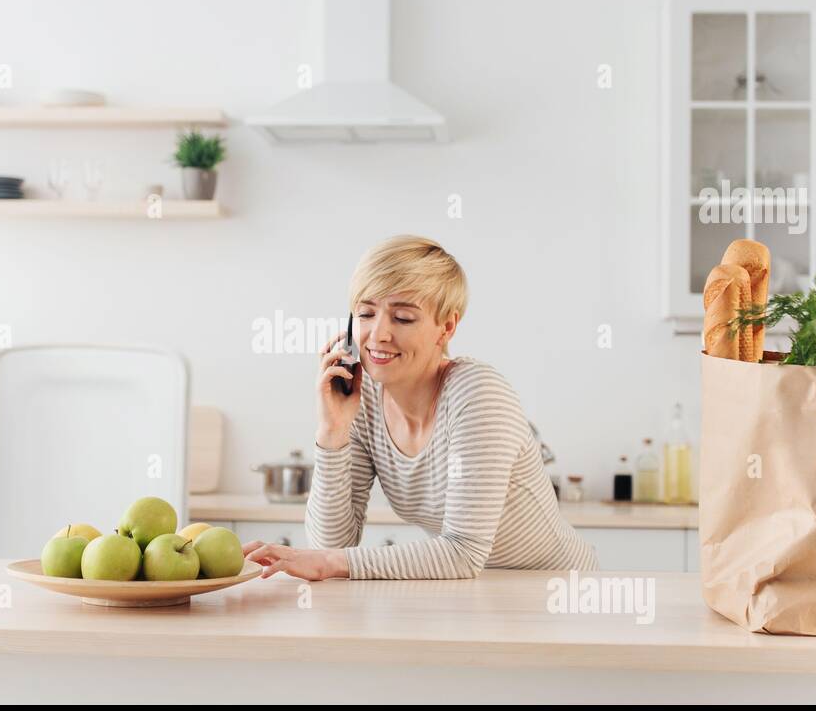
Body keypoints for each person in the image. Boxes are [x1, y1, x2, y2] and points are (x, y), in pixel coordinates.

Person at [243, 235, 598, 580]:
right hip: (478, 591)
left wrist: (332, 563)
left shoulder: (477, 393)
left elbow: (462, 552)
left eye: (403, 318)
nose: (378, 334)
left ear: (446, 328)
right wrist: (332, 432)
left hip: (560, 586)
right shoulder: (363, 400)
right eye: (366, 313)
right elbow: (330, 544)